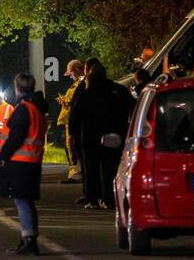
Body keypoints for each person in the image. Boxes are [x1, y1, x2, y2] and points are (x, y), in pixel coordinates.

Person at [68, 60, 135, 209]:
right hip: (112, 135)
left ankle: (93, 198)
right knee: (110, 166)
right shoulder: (118, 91)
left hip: (89, 136)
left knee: (91, 167)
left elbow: (75, 114)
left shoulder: (86, 94)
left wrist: (73, 134)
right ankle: (109, 198)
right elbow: (132, 106)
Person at [0, 72, 49, 255]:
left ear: (17, 87)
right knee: (26, 200)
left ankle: (28, 239)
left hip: (21, 161)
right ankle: (28, 237)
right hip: (32, 161)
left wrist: (4, 155)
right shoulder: (36, 109)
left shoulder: (24, 109)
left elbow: (16, 137)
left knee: (22, 201)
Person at [56, 59, 85, 184]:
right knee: (70, 146)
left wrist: (64, 101)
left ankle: (77, 174)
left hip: (75, 120)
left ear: (77, 70)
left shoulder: (81, 83)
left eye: (71, 73)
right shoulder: (78, 83)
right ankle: (74, 173)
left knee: (73, 146)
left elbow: (75, 101)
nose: (71, 76)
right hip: (70, 120)